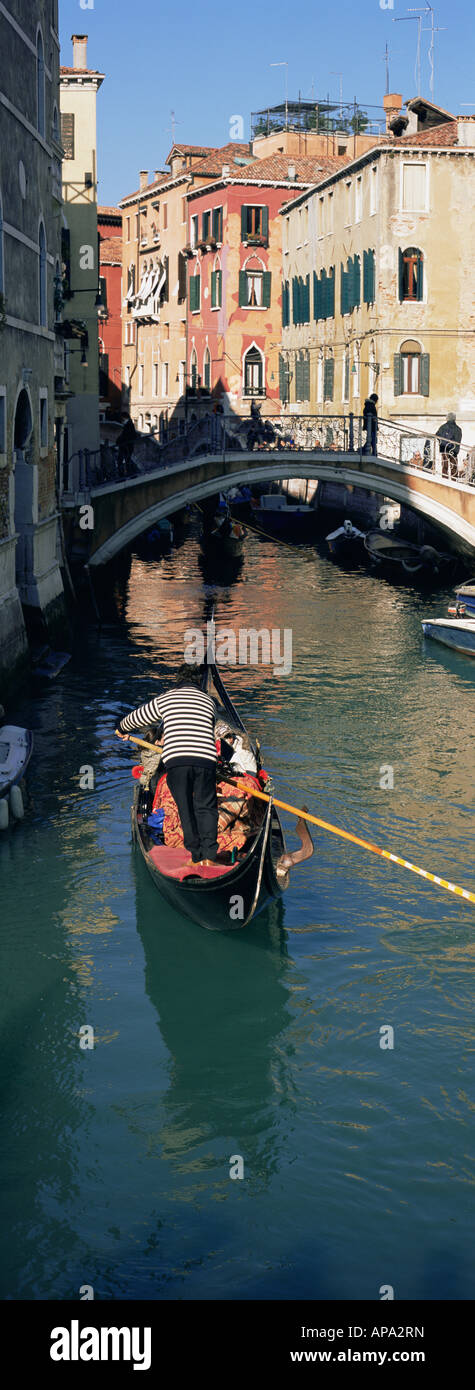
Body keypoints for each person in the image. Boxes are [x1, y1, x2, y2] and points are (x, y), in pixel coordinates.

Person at [116, 663, 219, 866]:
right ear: (198, 682)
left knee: (185, 808)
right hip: (206, 760)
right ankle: (210, 857)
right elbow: (210, 724)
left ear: (178, 681)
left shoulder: (167, 698)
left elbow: (138, 716)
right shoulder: (209, 701)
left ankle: (196, 857)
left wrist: (120, 727)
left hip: (178, 761)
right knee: (206, 807)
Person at [436, 412, 462, 479]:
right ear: (454, 419)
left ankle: (445, 481)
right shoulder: (458, 429)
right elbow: (458, 440)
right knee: (454, 467)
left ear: (447, 418)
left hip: (444, 449)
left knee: (445, 467)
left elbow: (437, 435)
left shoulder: (443, 427)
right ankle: (454, 481)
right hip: (454, 451)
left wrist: (442, 443)